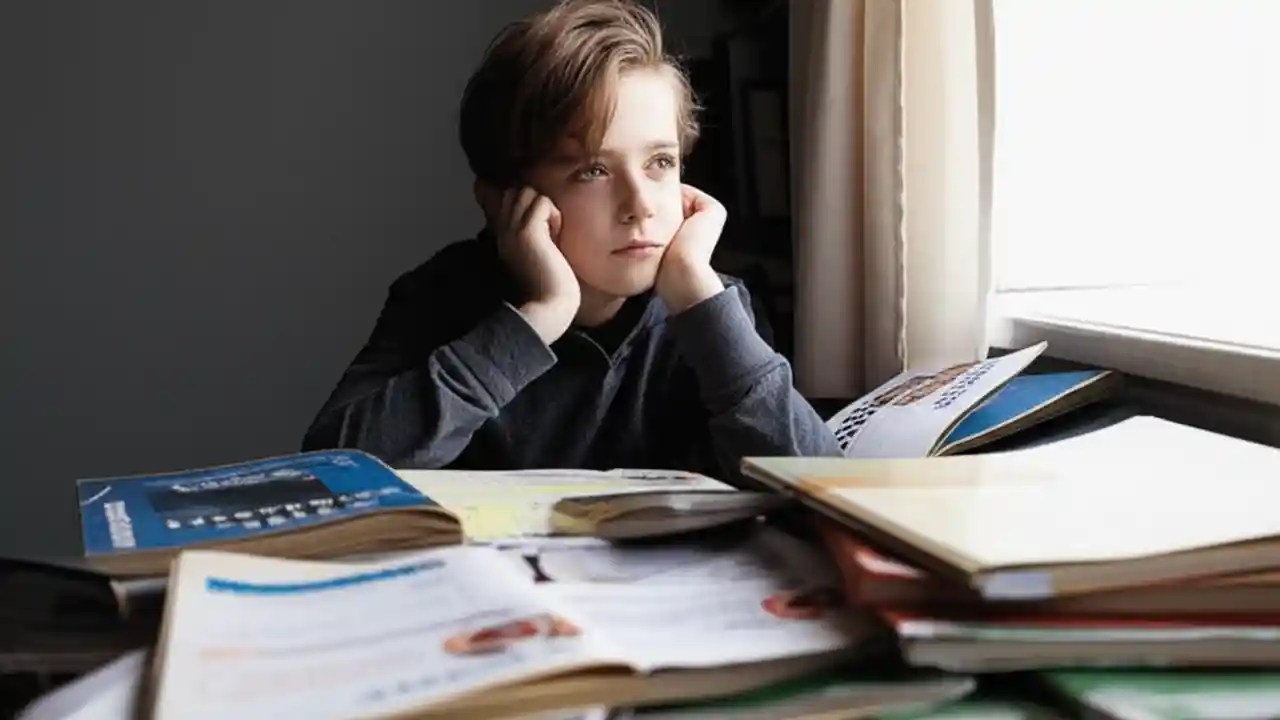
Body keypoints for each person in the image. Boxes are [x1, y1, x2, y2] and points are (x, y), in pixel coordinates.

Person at [301, 0, 841, 486]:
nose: (640, 204)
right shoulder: (441, 296)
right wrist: (539, 316)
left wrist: (703, 304)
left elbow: (826, 490)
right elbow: (330, 473)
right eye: (592, 171)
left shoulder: (709, 309)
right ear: (502, 200)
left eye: (660, 163)